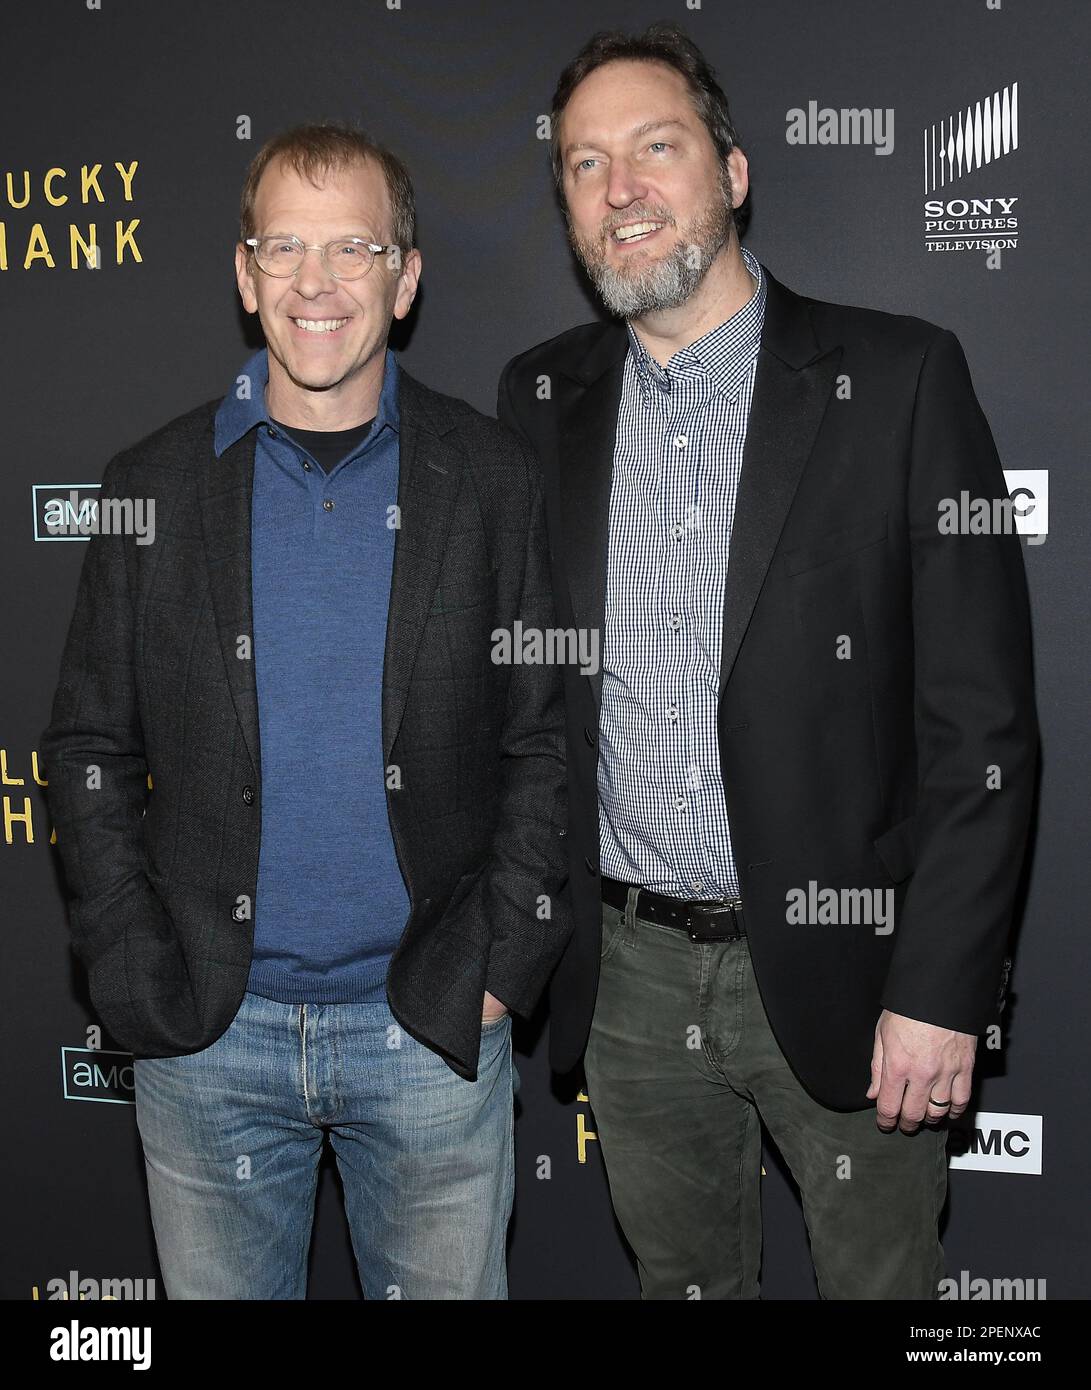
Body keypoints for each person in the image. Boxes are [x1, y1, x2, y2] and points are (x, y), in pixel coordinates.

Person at [497, 25, 1038, 1300]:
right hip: (624, 981)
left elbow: (981, 730)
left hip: (850, 973)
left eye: (654, 148)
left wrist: (942, 989)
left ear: (731, 174)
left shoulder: (898, 378)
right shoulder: (536, 400)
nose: (618, 188)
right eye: (583, 163)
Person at [42, 122, 569, 1300]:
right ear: (243, 274)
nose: (316, 284)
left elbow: (541, 737)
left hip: (430, 1028)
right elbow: (85, 745)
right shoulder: (152, 485)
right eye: (284, 247)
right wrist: (133, 967)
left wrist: (496, 970)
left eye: (352, 249)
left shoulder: (487, 479)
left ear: (406, 275)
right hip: (208, 1040)